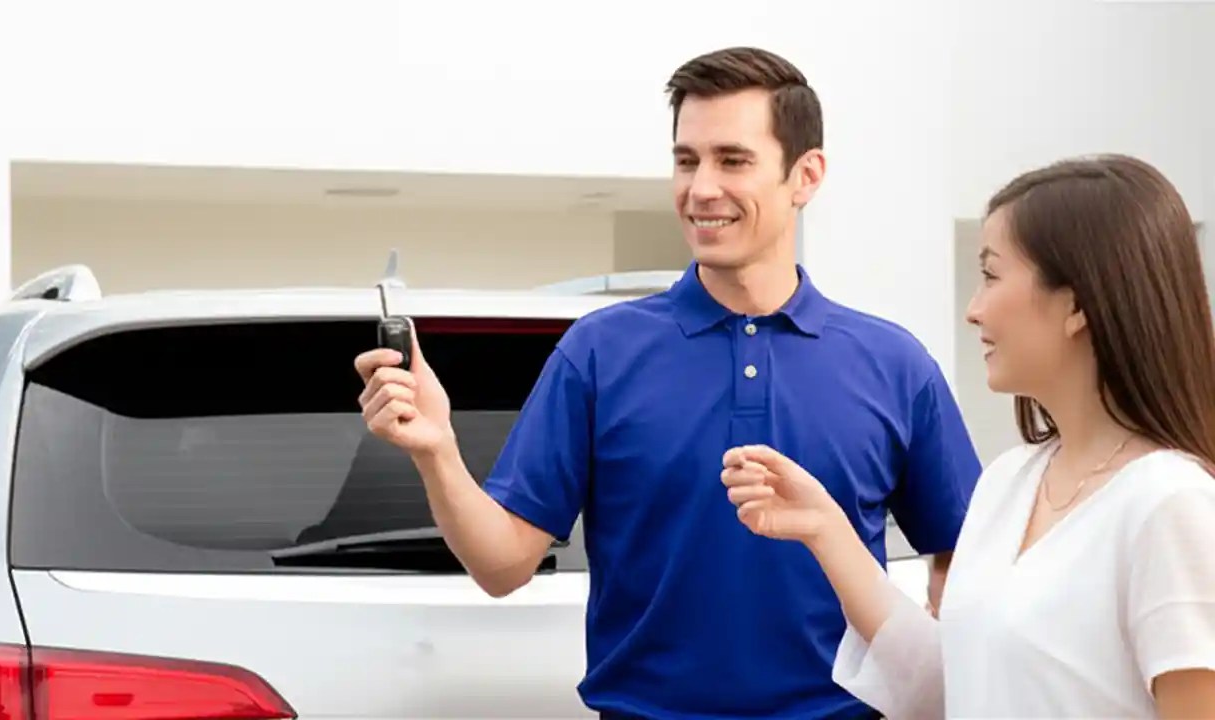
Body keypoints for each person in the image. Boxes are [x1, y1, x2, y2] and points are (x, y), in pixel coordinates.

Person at [354, 46, 981, 719]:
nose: (700, 187)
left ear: (806, 175)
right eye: (686, 160)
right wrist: (438, 452)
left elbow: (964, 565)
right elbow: (502, 566)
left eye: (732, 160)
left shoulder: (893, 363)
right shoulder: (598, 353)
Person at [722, 153, 1215, 718]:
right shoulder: (1010, 480)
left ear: (1077, 301)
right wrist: (825, 528)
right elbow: (954, 687)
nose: (973, 312)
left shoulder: (1170, 504)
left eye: (990, 275)